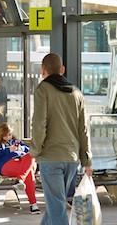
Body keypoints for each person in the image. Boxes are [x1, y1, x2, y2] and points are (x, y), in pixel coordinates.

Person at [30, 53, 91, 225]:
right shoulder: (76, 93)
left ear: (43, 71)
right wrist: (87, 160)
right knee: (55, 205)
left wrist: (34, 151)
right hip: (72, 159)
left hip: (51, 158)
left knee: (56, 207)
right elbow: (83, 129)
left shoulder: (43, 90)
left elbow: (39, 124)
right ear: (62, 70)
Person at [0, 123, 39, 214]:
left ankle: (21, 181)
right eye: (6, 135)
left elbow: (27, 149)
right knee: (29, 173)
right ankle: (33, 204)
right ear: (1, 135)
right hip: (6, 165)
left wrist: (20, 148)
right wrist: (8, 149)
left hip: (20, 165)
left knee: (31, 156)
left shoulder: (15, 141)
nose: (9, 137)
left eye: (10, 134)